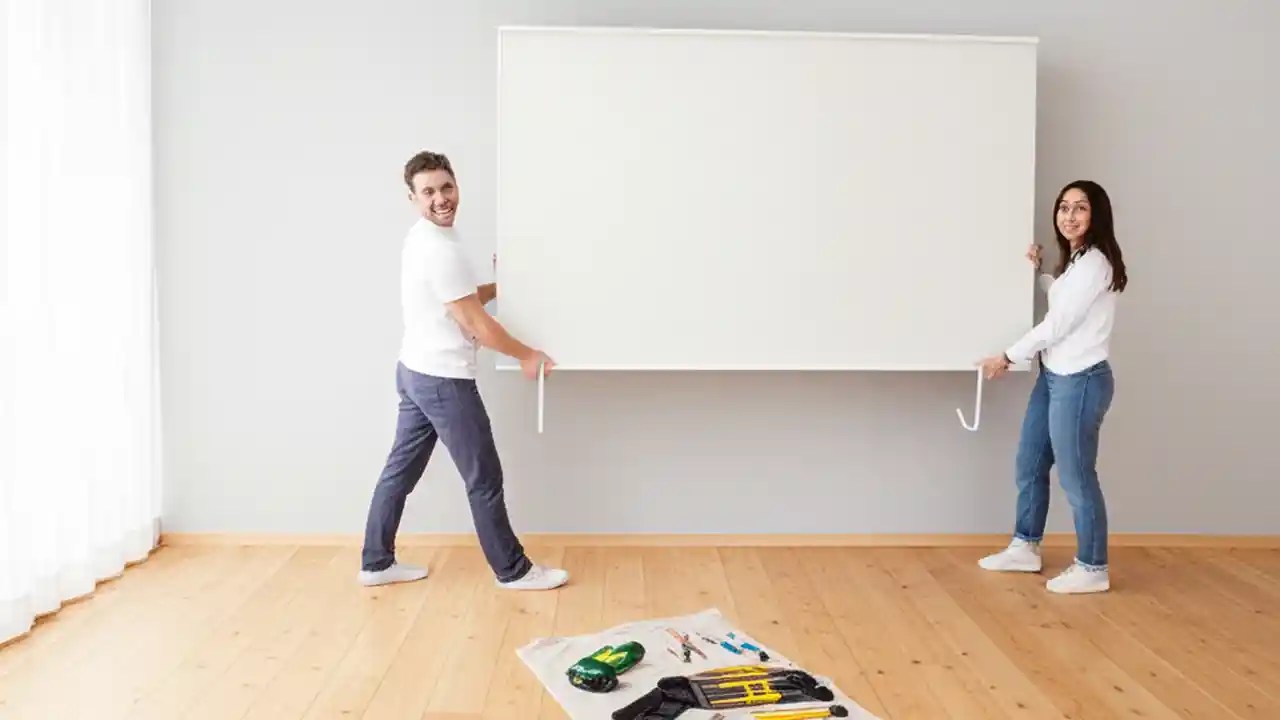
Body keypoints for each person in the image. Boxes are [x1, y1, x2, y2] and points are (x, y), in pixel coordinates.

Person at [358, 150, 569, 591]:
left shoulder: (424, 238)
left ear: (457, 185)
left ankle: (375, 564)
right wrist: (528, 354)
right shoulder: (439, 249)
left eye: (446, 187)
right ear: (413, 198)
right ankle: (513, 571)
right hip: (441, 380)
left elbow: (464, 298)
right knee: (484, 478)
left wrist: (504, 283)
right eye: (429, 191)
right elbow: (473, 321)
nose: (441, 198)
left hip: (414, 370)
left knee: (400, 471)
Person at [975, 180, 1128, 594]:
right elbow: (1064, 300)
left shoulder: (1096, 262)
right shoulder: (1079, 262)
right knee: (1029, 464)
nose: (1069, 215)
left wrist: (1007, 356)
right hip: (1053, 376)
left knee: (1077, 476)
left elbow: (1059, 323)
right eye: (1063, 207)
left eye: (1080, 208)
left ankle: (1093, 567)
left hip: (1080, 381)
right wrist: (1039, 272)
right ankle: (1025, 547)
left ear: (1096, 215)